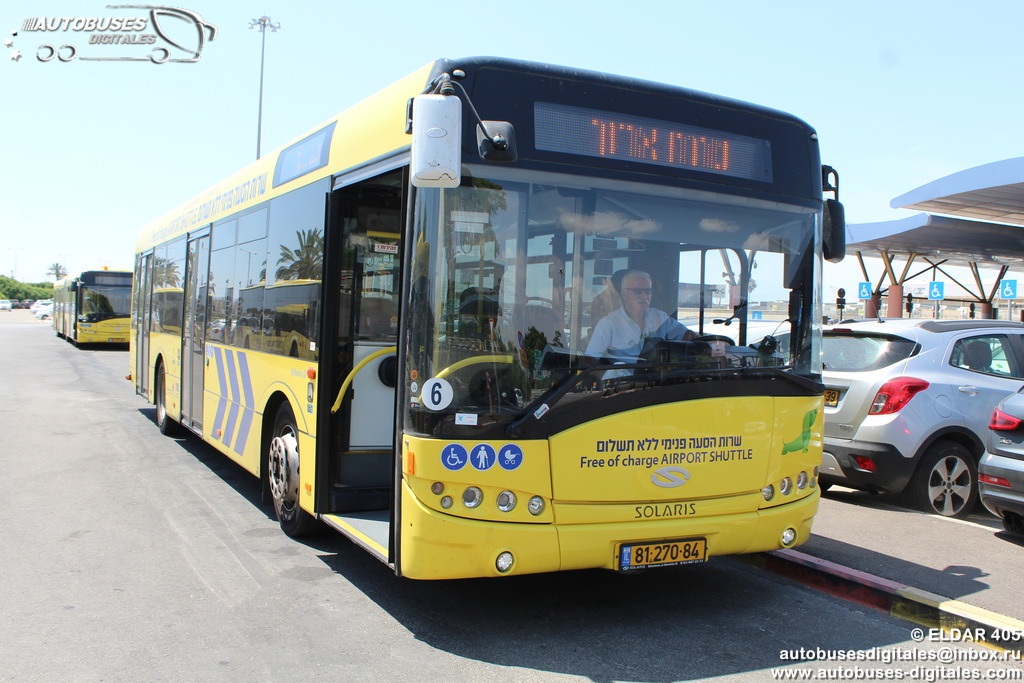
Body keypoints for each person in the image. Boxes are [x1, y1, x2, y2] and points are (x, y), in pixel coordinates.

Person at [585, 270, 695, 367]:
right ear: (624, 294)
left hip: (658, 383)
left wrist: (705, 345)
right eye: (638, 291)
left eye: (648, 291)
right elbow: (590, 360)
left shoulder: (660, 317)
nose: (644, 296)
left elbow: (688, 336)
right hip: (623, 385)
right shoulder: (609, 324)